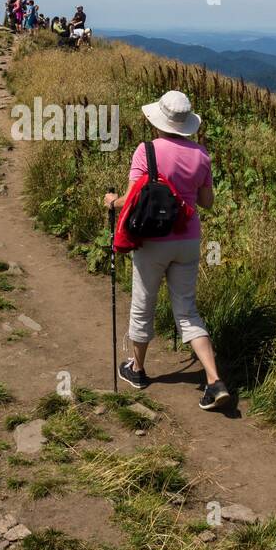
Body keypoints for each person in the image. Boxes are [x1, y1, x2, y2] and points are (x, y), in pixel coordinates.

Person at [104, 90, 228, 411]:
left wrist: (109, 202)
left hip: (152, 240)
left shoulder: (146, 151)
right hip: (187, 240)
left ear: (158, 120)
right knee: (187, 311)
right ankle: (214, 380)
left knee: (143, 304)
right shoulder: (202, 155)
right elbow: (206, 202)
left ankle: (138, 369)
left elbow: (131, 198)